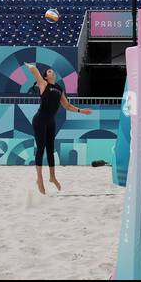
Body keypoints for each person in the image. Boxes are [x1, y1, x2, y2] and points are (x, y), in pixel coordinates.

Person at [24, 63, 91, 194]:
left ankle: (52, 177)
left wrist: (81, 111)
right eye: (49, 71)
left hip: (50, 121)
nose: (52, 72)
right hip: (39, 120)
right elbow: (34, 70)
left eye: (52, 71)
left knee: (50, 149)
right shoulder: (43, 84)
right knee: (41, 148)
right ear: (45, 76)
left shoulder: (59, 88)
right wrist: (29, 65)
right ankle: (39, 178)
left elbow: (67, 106)